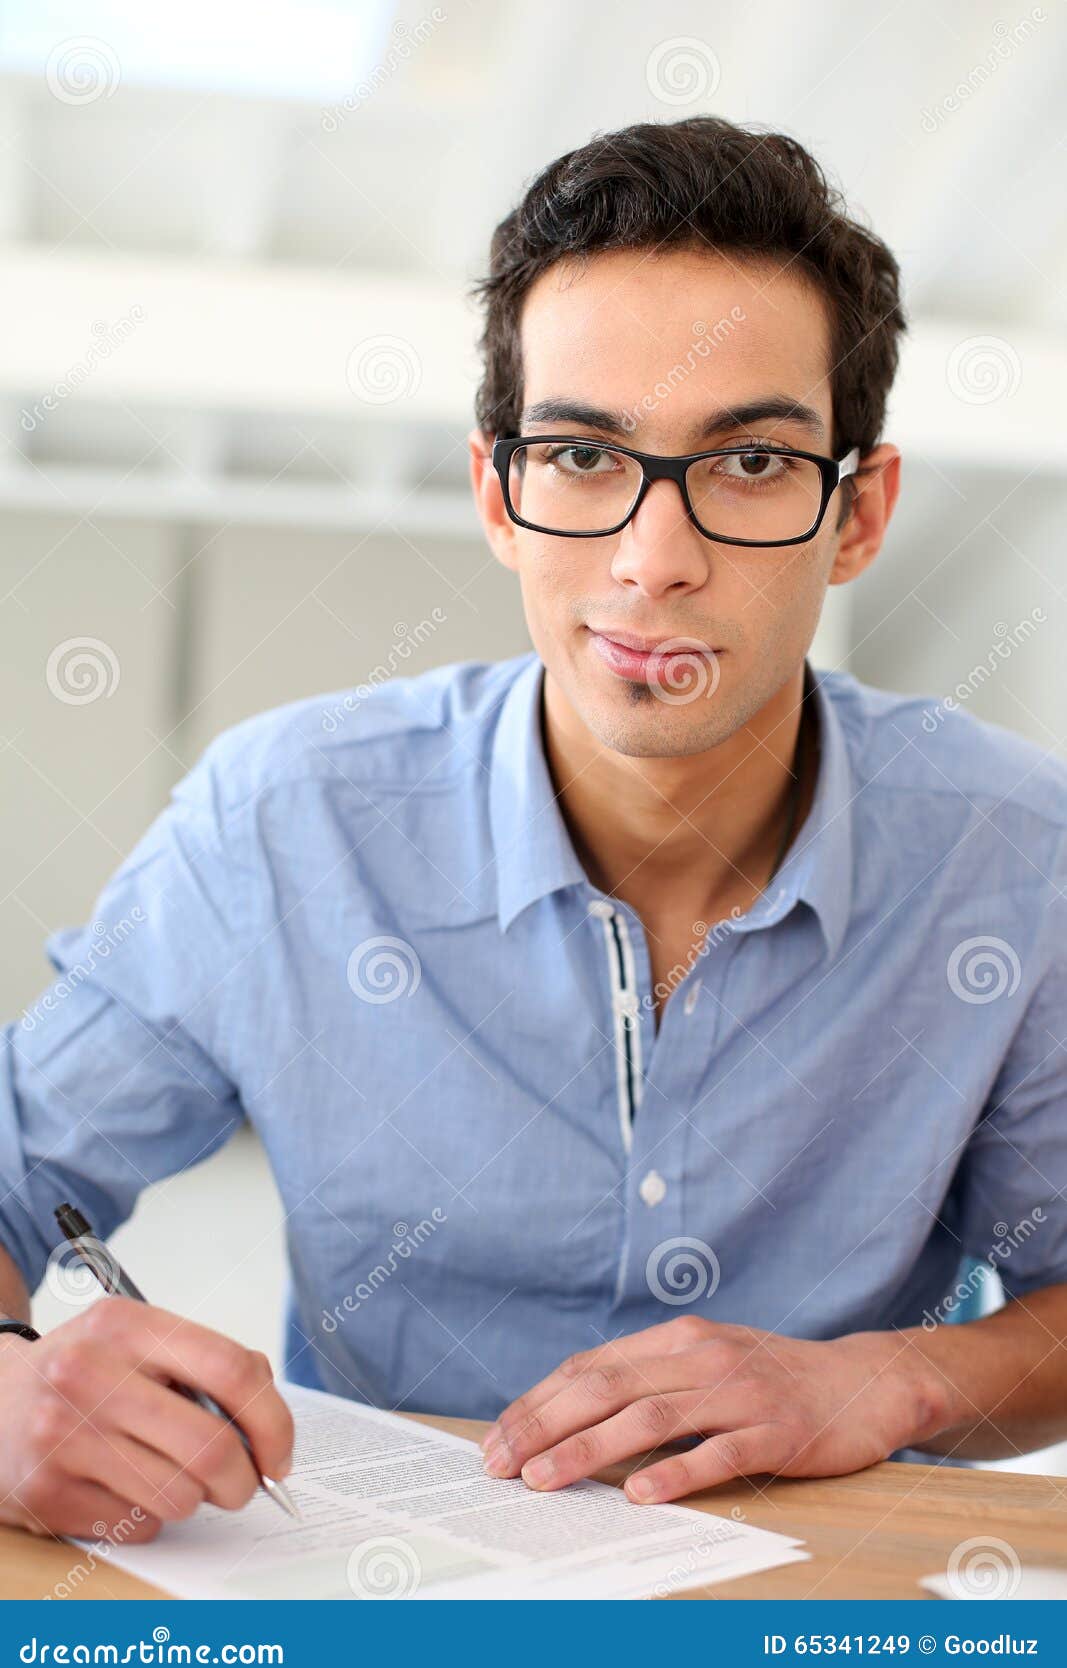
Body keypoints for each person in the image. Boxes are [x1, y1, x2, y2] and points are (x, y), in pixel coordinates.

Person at [1, 117, 1065, 1545]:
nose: (652, 561)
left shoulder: (1018, 860)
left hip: (812, 1610)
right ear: (499, 491)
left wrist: (895, 1376)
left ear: (857, 513)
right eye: (580, 454)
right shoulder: (281, 823)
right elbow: (18, 1174)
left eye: (750, 464)